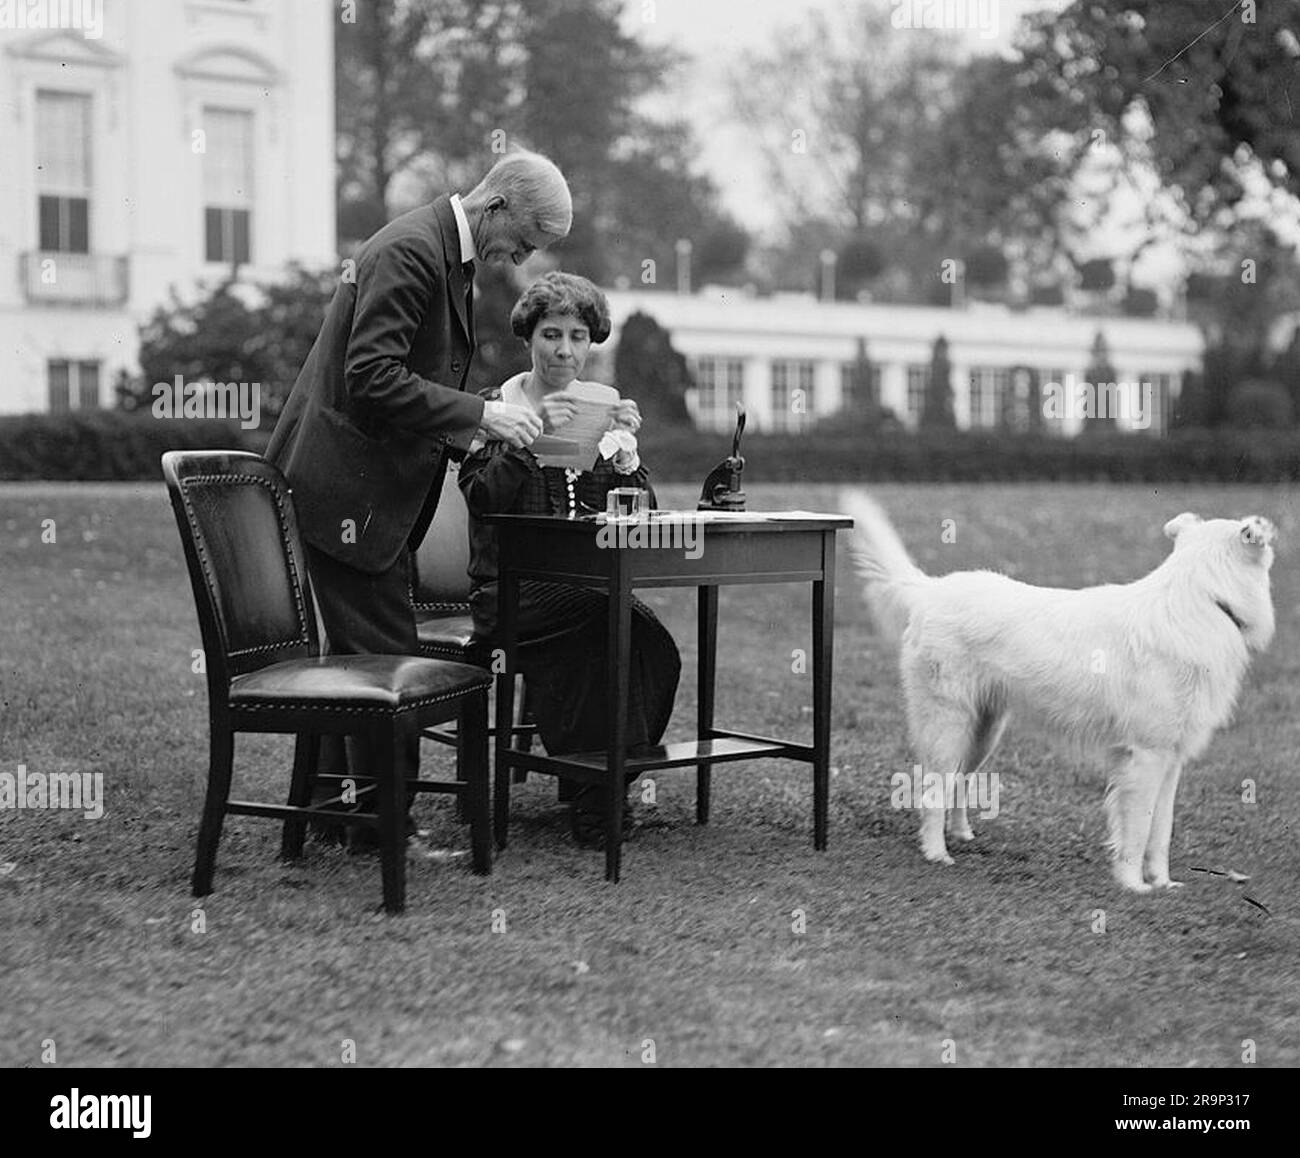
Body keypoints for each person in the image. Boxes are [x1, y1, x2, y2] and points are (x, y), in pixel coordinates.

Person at [265, 151, 571, 847]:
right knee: (388, 663)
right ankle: (381, 826)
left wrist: (475, 428)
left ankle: (332, 814)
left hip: (364, 490)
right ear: (496, 207)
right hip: (344, 488)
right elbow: (371, 376)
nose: (517, 259)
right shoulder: (411, 250)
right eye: (521, 242)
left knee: (355, 658)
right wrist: (480, 415)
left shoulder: (440, 251)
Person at [459, 272, 681, 846]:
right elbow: (481, 499)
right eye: (551, 333)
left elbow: (643, 517)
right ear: (528, 338)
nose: (564, 349)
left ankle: (598, 785)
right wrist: (530, 441)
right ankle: (596, 802)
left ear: (591, 342)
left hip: (588, 595)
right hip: (509, 594)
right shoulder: (497, 408)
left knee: (651, 642)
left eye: (578, 336)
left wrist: (628, 460)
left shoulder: (600, 410)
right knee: (609, 622)